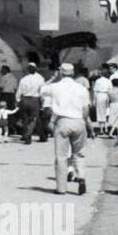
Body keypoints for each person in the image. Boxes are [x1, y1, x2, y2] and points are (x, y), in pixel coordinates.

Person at [42, 63, 91, 195]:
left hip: (63, 121)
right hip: (78, 120)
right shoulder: (81, 89)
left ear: (61, 72)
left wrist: (53, 78)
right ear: (73, 73)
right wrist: (83, 121)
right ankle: (81, 177)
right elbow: (86, 108)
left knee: (61, 156)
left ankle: (61, 188)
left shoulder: (55, 87)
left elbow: (41, 89)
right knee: (79, 153)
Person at [16, 63, 47, 144]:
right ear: (35, 69)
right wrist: (43, 103)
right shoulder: (40, 78)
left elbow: (19, 91)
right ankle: (28, 135)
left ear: (27, 70)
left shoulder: (23, 79)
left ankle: (26, 136)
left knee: (25, 119)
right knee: (33, 119)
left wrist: (18, 100)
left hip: (24, 99)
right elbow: (42, 92)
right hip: (35, 100)